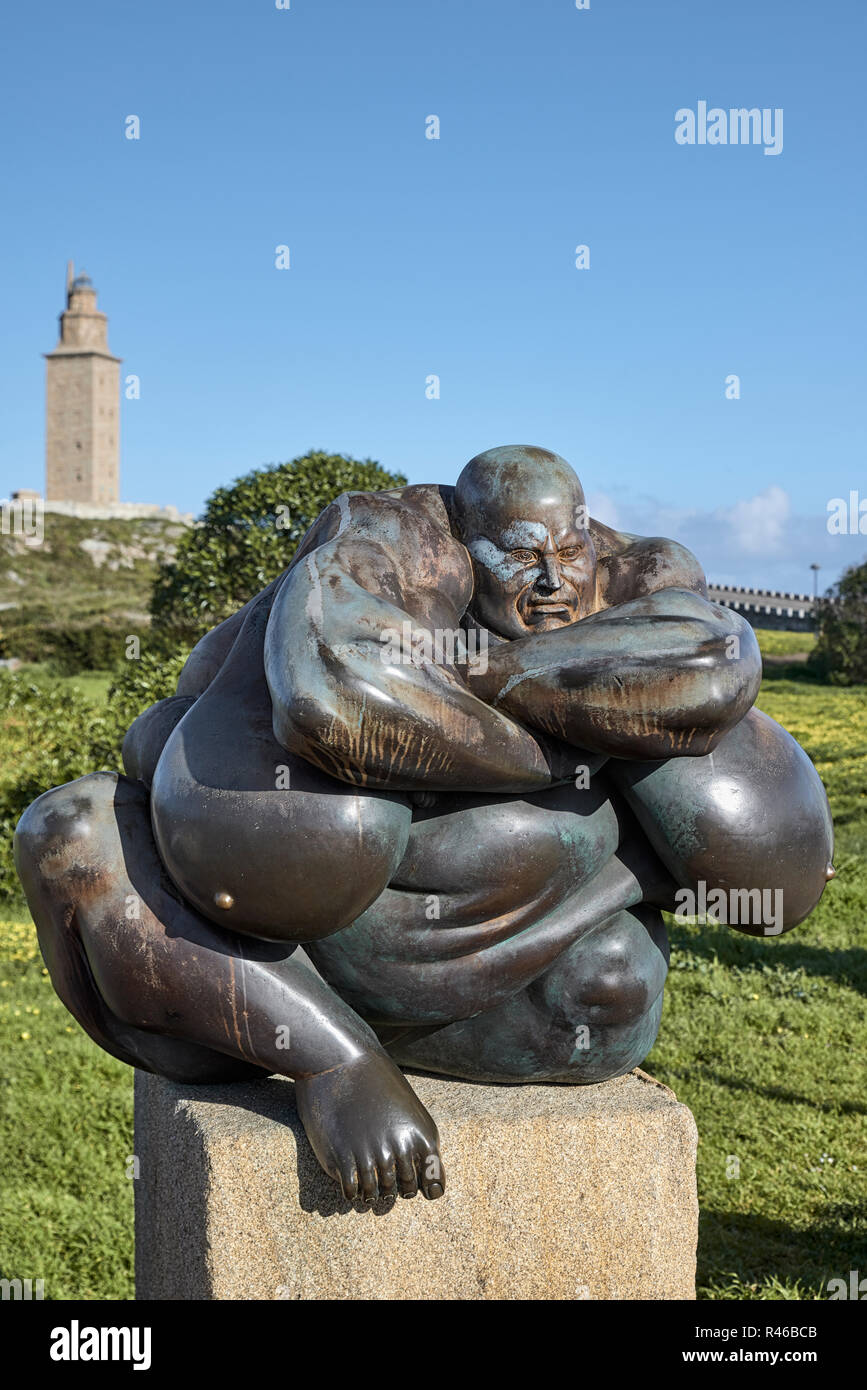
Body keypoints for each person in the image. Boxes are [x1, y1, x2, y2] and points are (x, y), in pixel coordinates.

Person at [15, 446, 834, 1203]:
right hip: (269, 985)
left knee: (630, 934)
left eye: (567, 551)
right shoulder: (381, 552)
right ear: (463, 545)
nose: (551, 580)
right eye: (517, 555)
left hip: (545, 1001)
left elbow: (716, 671)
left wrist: (487, 678)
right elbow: (332, 698)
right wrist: (564, 719)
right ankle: (334, 1052)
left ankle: (376, 1033)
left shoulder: (639, 580)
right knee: (73, 831)